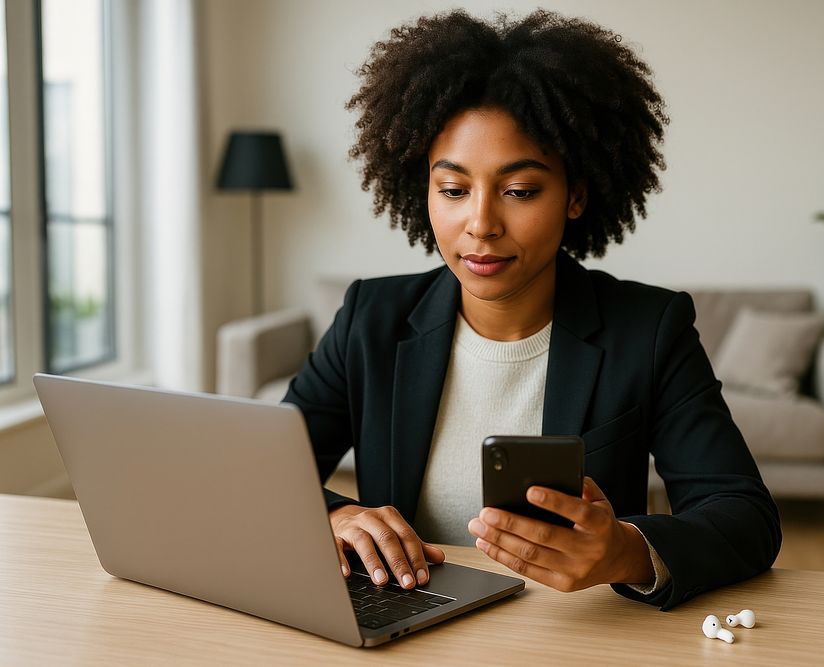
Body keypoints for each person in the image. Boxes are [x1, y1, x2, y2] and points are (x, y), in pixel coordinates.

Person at [283, 9, 781, 611]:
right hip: (407, 625)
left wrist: (625, 551)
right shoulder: (372, 316)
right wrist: (333, 518)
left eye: (519, 191)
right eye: (453, 190)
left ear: (575, 195)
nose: (482, 224)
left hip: (573, 633)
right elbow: (266, 477)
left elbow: (744, 515)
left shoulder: (648, 329)